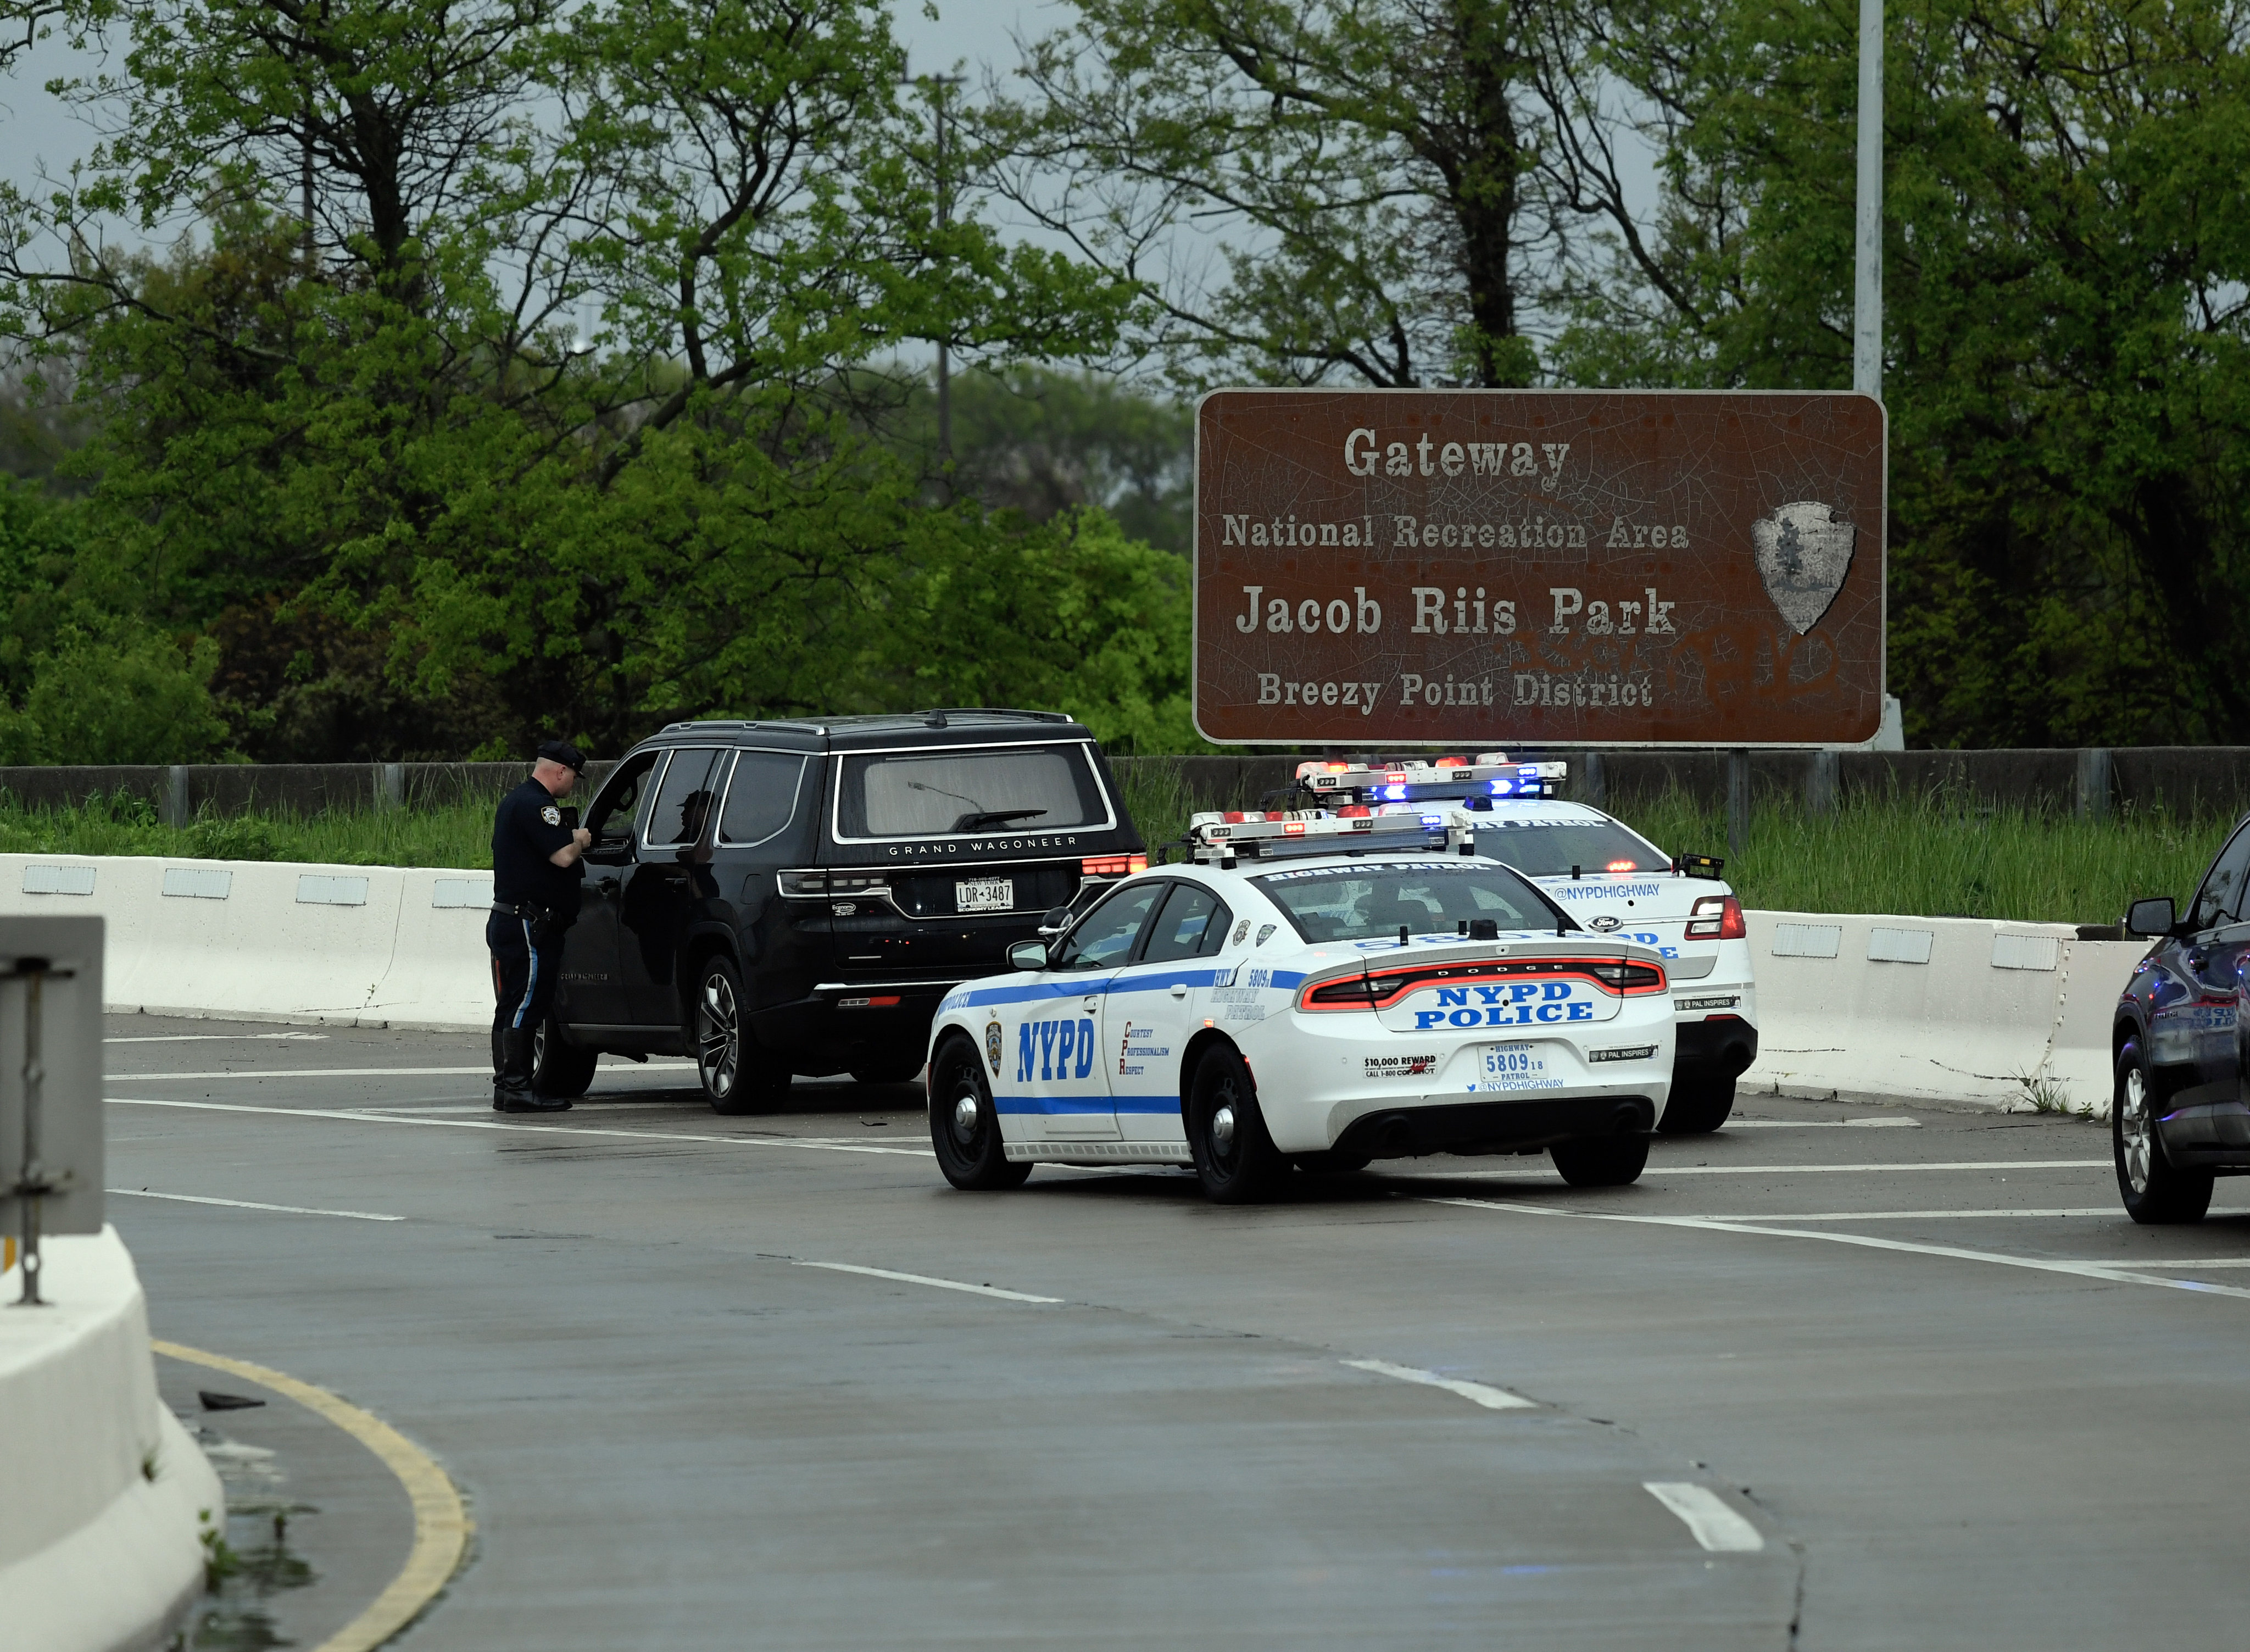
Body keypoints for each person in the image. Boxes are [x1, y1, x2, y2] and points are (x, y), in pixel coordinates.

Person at [489, 740, 593, 1111]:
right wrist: (579, 838)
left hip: (511, 918)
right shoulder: (539, 805)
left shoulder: (514, 801)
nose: (573, 786)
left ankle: (507, 1086)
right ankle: (517, 1087)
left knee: (511, 1003)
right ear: (561, 770)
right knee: (526, 1003)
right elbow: (564, 855)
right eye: (573, 778)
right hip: (528, 922)